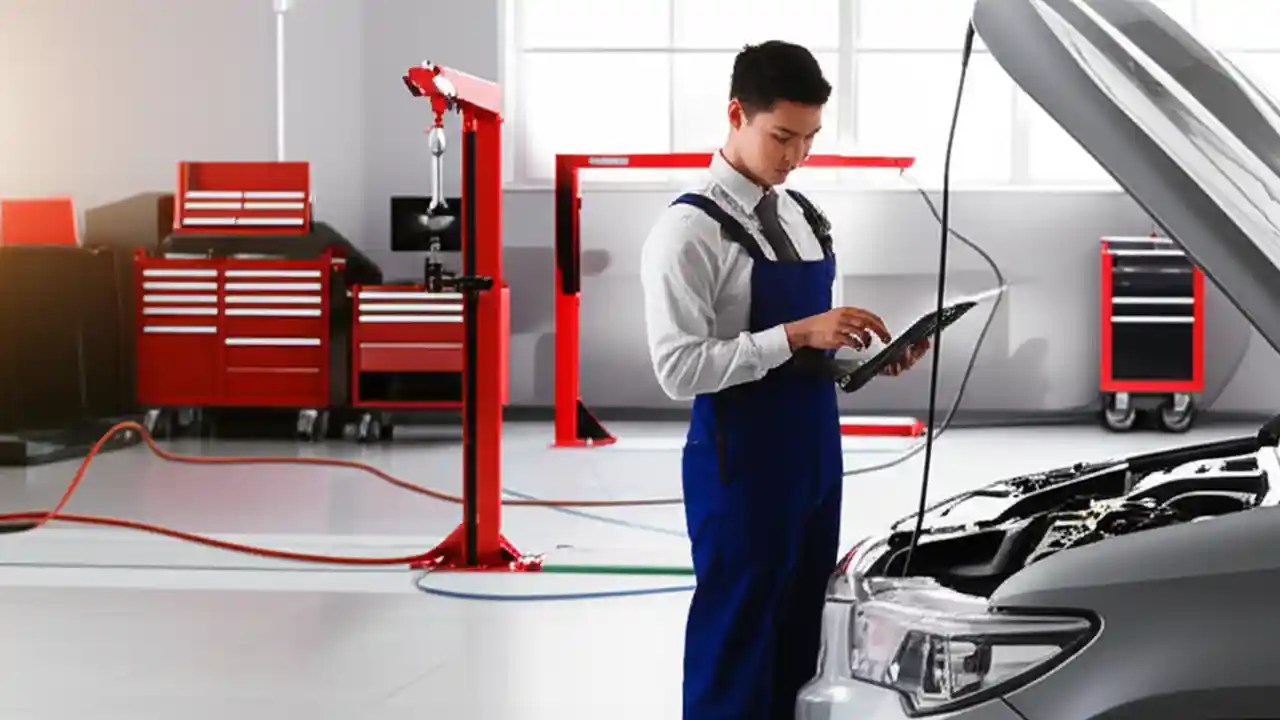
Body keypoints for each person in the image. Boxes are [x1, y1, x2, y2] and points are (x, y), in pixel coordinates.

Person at [639, 40, 930, 718]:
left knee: (801, 629)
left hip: (813, 455)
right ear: (736, 113)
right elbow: (677, 367)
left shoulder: (802, 217)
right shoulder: (688, 232)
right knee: (738, 634)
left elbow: (817, 350)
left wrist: (869, 360)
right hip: (739, 462)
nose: (797, 156)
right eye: (783, 137)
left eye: (810, 140)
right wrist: (797, 334)